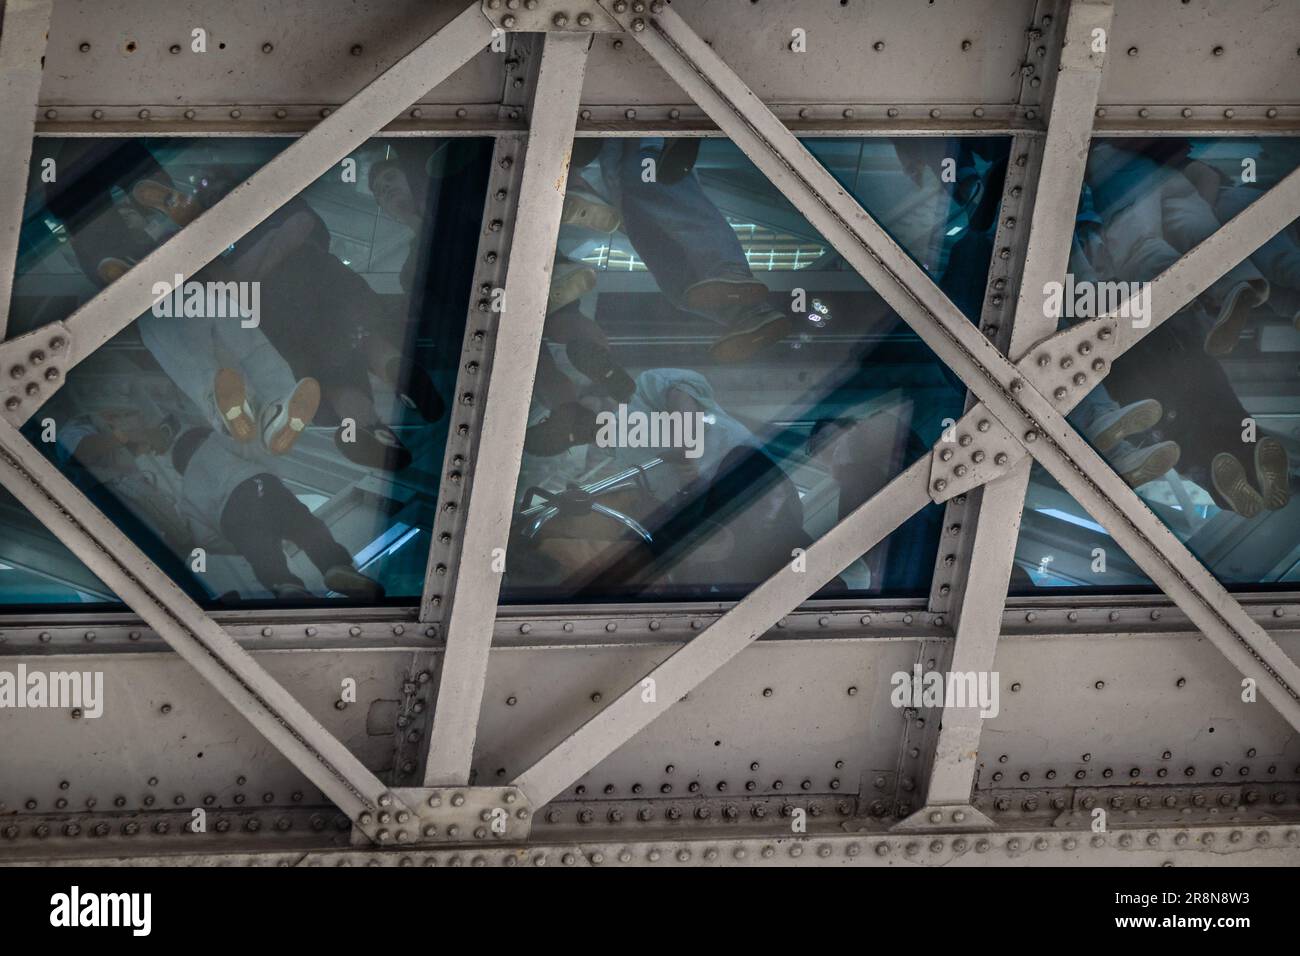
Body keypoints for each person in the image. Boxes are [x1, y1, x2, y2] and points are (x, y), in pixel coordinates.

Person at [170, 425, 384, 600]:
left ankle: (286, 586)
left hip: (229, 520)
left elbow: (204, 538)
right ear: (201, 437)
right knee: (304, 525)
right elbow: (252, 450)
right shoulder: (215, 441)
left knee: (260, 552)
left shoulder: (185, 493)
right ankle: (334, 565)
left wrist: (239, 544)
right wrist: (273, 475)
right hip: (255, 485)